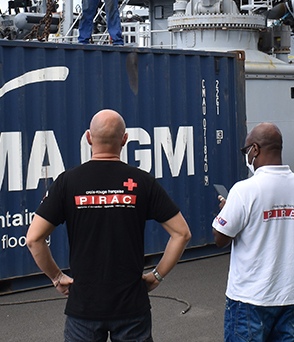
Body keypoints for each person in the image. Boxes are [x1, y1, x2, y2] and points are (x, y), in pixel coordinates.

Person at [26, 109, 192, 342]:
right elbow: (182, 233)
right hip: (132, 306)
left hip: (84, 307)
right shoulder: (142, 182)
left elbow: (33, 239)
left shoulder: (68, 182)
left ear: (88, 138)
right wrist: (157, 275)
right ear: (124, 140)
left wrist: (56, 277)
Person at [212, 122, 294, 342]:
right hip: (289, 297)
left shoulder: (245, 190)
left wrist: (227, 210)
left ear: (255, 149)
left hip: (249, 300)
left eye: (246, 150)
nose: (246, 155)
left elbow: (220, 238)